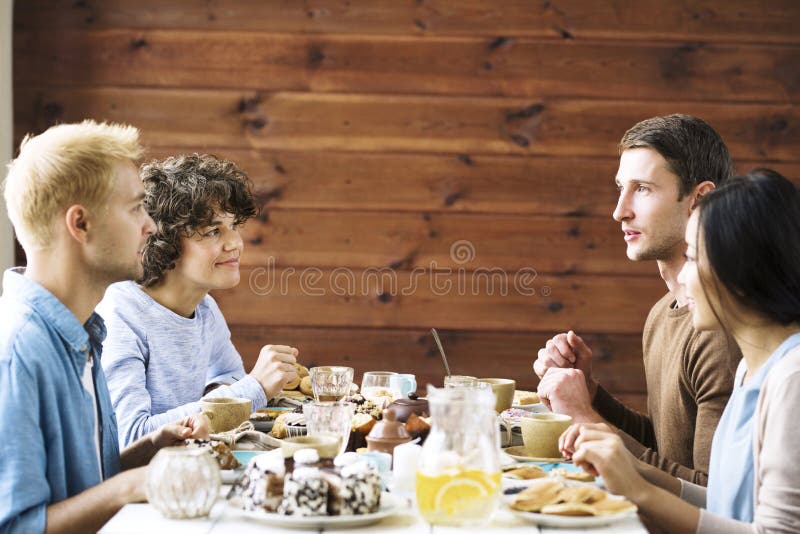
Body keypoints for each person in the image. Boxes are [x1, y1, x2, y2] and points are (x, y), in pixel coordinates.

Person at [562, 169, 800, 532]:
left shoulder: (792, 380)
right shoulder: (752, 370)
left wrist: (640, 493)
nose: (682, 277)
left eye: (692, 257)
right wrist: (633, 468)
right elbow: (725, 505)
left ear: (741, 270)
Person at [0, 120, 208, 533]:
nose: (150, 225)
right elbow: (16, 527)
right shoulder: (18, 352)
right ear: (80, 224)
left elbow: (80, 485)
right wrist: (128, 487)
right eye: (135, 208)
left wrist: (147, 451)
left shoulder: (82, 332)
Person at [534, 114, 741, 484]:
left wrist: (585, 418)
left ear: (700, 199)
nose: (620, 210)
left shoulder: (720, 331)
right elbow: (665, 451)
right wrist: (591, 395)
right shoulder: (663, 312)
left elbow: (713, 498)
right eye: (620, 187)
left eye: (642, 189)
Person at [96, 153, 299, 447]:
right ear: (164, 240)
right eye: (214, 230)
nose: (236, 243)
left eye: (234, 226)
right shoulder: (120, 316)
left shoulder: (203, 307)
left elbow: (228, 375)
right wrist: (253, 388)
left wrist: (230, 392)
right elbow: (130, 437)